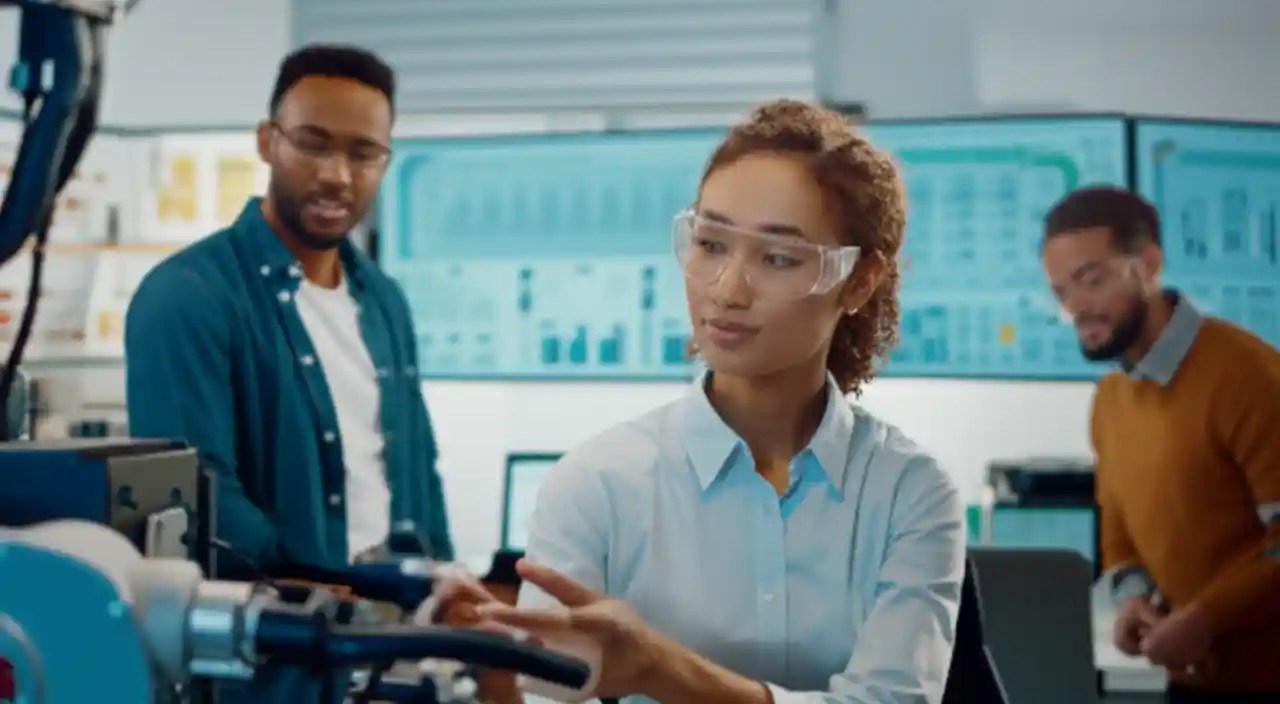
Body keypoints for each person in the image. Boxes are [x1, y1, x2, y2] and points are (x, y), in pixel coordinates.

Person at [477, 100, 966, 703]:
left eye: (779, 258)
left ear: (859, 281)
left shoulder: (907, 492)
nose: (728, 290)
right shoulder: (598, 482)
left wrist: (665, 672)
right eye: (710, 244)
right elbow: (547, 694)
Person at [125, 44, 458, 702]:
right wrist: (322, 585)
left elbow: (416, 464)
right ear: (266, 142)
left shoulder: (383, 299)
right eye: (313, 143)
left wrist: (446, 585)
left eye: (363, 153)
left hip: (387, 651)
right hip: (273, 665)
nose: (337, 174)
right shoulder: (188, 296)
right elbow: (200, 496)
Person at [1040, 186, 1280, 703]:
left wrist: (1204, 618)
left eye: (1091, 280)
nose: (1077, 308)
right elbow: (1121, 535)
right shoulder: (1111, 399)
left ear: (1147, 265)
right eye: (1061, 294)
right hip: (1191, 679)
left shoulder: (1251, 375)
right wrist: (1133, 602)